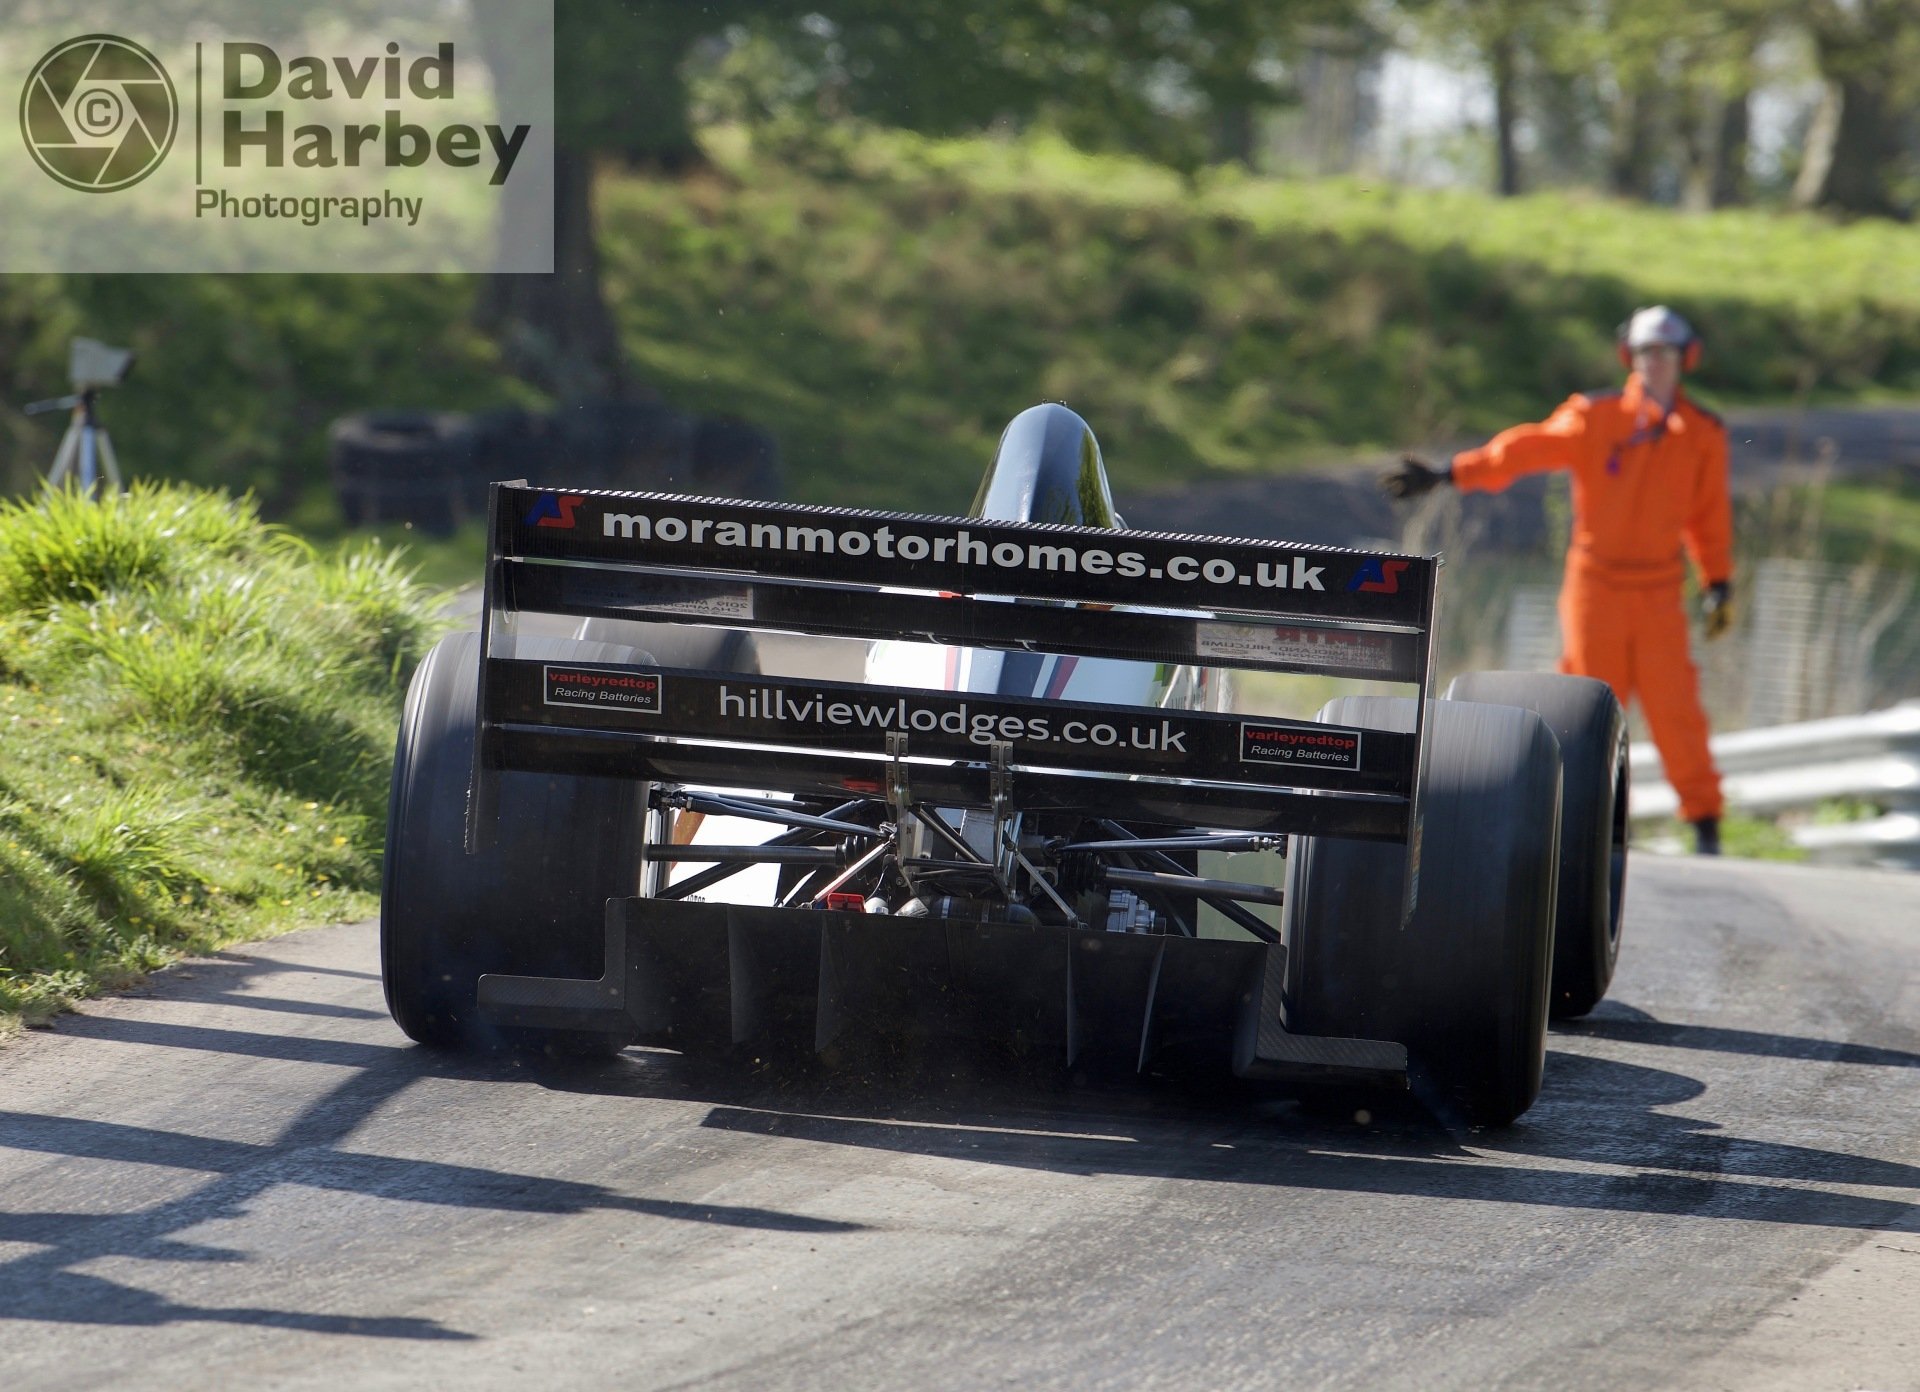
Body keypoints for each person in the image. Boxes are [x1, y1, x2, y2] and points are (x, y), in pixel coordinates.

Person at [1381, 306, 1735, 854]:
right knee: (1590, 702)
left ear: (1685, 359)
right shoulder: (1596, 418)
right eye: (1645, 353)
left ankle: (1705, 824)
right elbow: (1525, 449)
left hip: (1660, 591)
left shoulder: (1703, 434)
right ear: (1629, 357)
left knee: (1676, 708)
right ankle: (1595, 824)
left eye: (1664, 353)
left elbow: (1708, 516)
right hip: (1595, 587)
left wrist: (1718, 581)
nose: (1654, 364)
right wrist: (1449, 473)